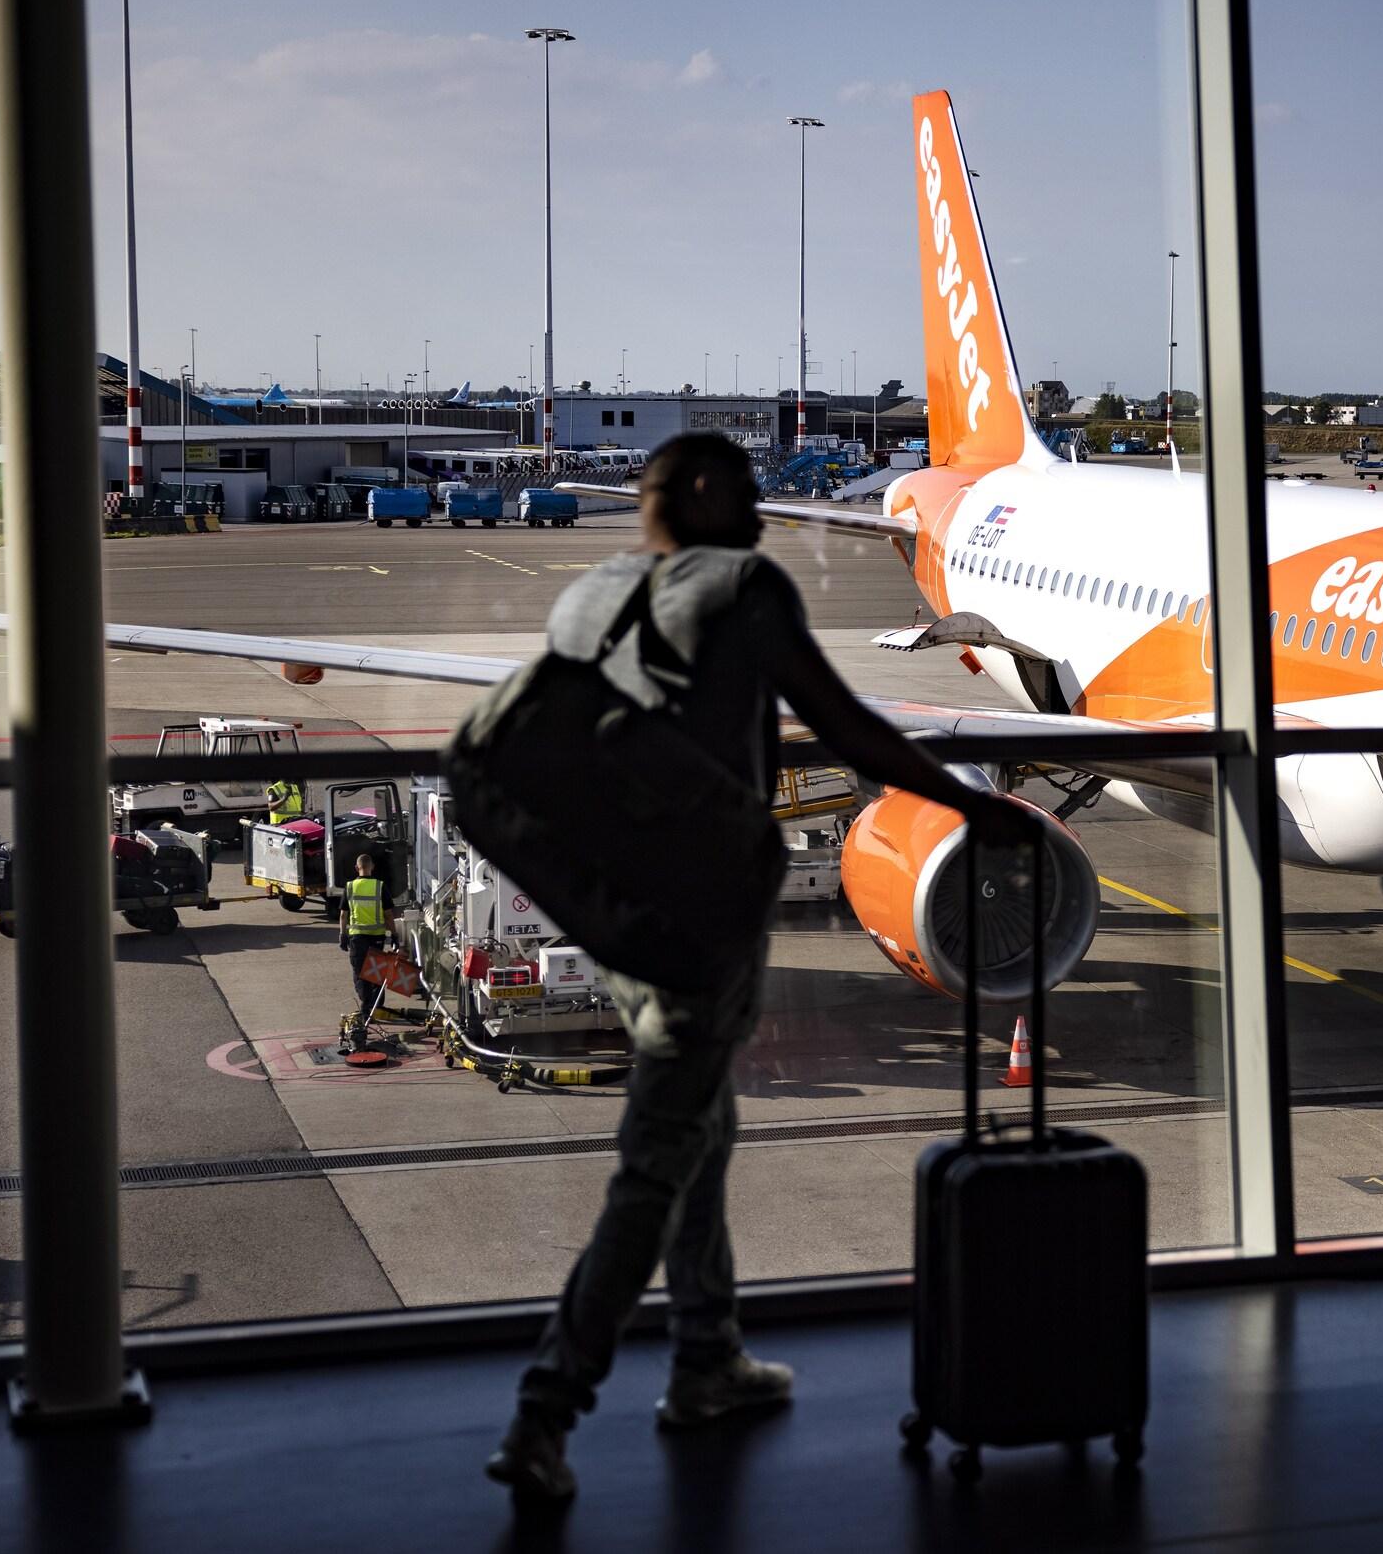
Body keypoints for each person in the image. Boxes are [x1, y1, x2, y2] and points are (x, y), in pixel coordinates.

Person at [486, 434, 1038, 1505]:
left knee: (701, 1143)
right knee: (652, 1173)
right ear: (694, 497)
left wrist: (580, 895)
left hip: (637, 928)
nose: (764, 507)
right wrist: (977, 808)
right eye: (746, 489)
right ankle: (544, 1411)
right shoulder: (742, 590)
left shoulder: (600, 596)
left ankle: (705, 1360)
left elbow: (485, 757)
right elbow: (850, 730)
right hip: (699, 932)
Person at [338, 852, 391, 1052]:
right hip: (376, 937)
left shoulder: (350, 887)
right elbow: (388, 914)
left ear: (356, 867)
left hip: (358, 938)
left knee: (360, 973)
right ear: (372, 867)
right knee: (377, 972)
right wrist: (393, 934)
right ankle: (375, 1005)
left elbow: (343, 914)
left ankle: (367, 1006)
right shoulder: (380, 885)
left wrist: (342, 935)